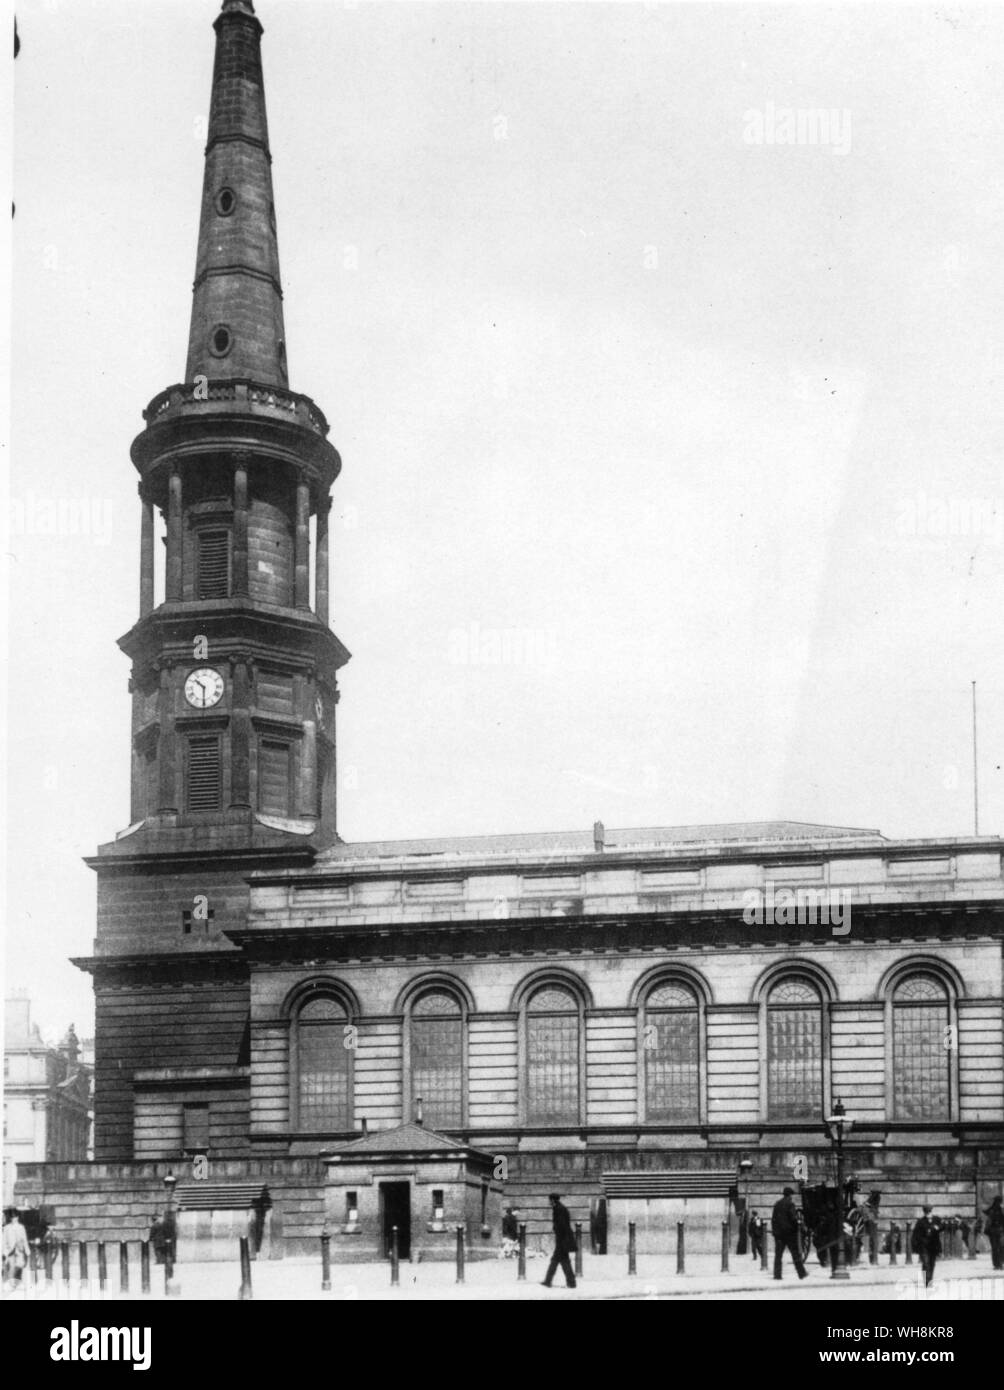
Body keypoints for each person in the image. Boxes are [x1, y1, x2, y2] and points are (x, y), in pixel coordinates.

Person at [771, 1186, 808, 1280]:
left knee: (778, 1255)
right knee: (795, 1254)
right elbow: (793, 1218)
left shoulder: (777, 1204)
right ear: (789, 1195)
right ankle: (801, 1273)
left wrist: (775, 1231)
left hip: (779, 1234)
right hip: (789, 1233)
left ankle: (777, 1275)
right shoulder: (790, 1204)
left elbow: (773, 1219)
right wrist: (798, 1224)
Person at [541, 1193, 577, 1289]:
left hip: (562, 1239)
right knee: (559, 1261)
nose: (549, 1202)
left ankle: (550, 1281)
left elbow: (562, 1225)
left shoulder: (559, 1209)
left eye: (549, 1200)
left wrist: (560, 1239)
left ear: (553, 1200)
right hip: (562, 1239)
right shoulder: (559, 1208)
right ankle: (549, 1281)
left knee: (561, 1261)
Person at [911, 1205, 941, 1287]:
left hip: (934, 1246)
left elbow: (942, 1227)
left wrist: (937, 1228)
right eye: (927, 1212)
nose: (928, 1213)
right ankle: (927, 1281)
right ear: (924, 1212)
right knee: (926, 1263)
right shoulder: (921, 1222)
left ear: (932, 1211)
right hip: (924, 1247)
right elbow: (915, 1235)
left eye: (929, 1211)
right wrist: (916, 1247)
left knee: (932, 1264)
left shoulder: (937, 1219)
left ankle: (930, 1280)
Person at [2, 1208, 30, 1291]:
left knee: (20, 1265)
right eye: (12, 1217)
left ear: (17, 1218)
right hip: (10, 1250)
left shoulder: (21, 1227)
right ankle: (10, 1283)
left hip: (19, 1249)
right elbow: (4, 1240)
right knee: (11, 1266)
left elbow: (25, 1239)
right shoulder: (7, 1228)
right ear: (10, 1218)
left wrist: (27, 1249)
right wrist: (4, 1251)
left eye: (15, 1217)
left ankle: (18, 1282)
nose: (13, 1219)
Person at [983, 1195, 1004, 1270]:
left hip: (993, 1232)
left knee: (995, 1248)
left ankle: (996, 1265)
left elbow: (984, 1211)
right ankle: (1000, 1264)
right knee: (1000, 1248)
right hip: (1000, 1231)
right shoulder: (1001, 1210)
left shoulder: (992, 1209)